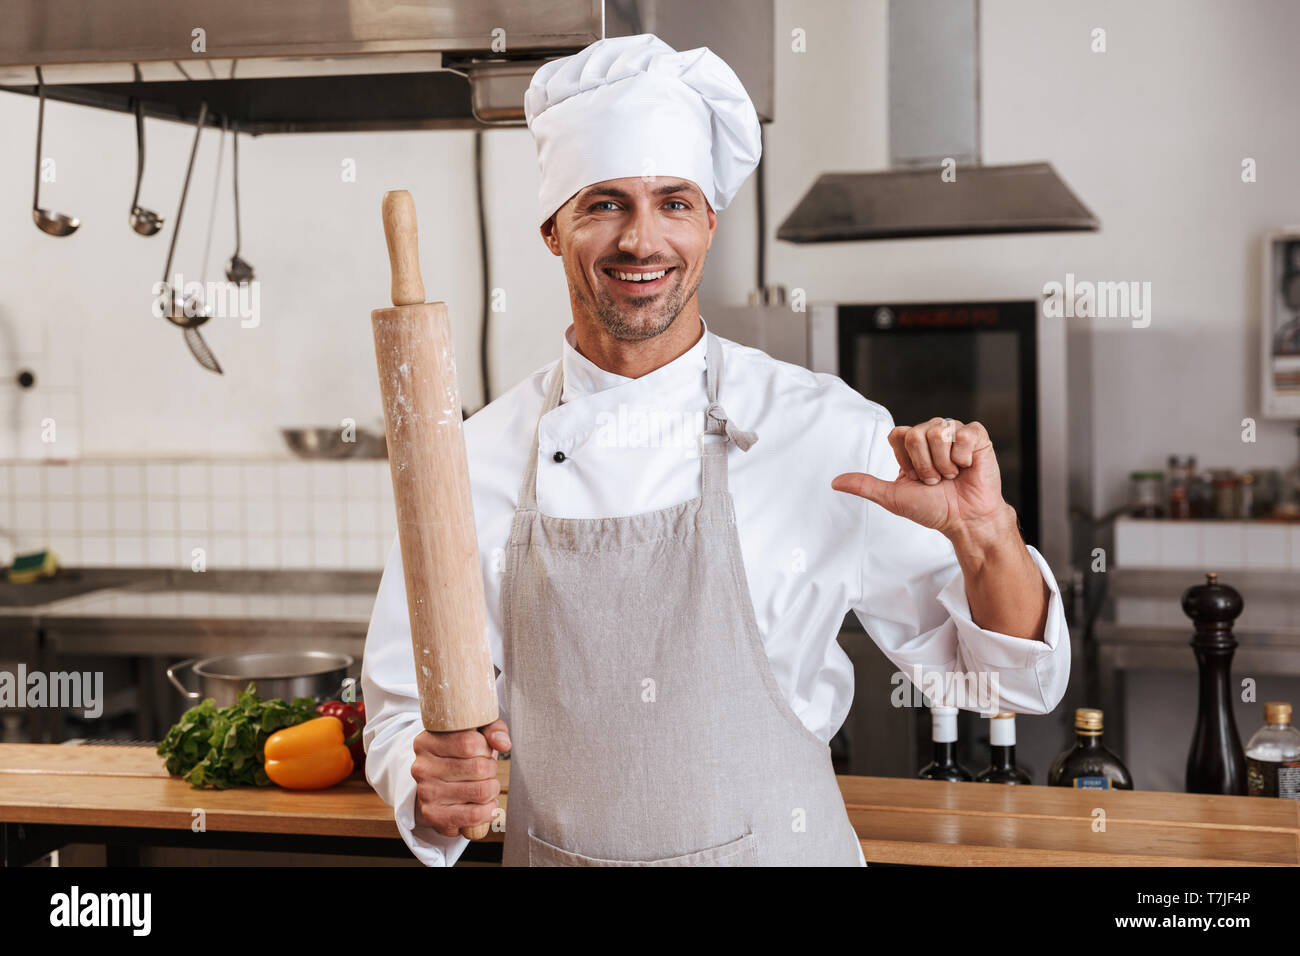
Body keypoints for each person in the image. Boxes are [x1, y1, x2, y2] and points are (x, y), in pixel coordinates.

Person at [361, 33, 1069, 867]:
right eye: (604, 204)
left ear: (709, 224)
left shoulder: (822, 429)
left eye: (673, 202)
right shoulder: (471, 460)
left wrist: (985, 536)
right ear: (554, 229)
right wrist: (427, 779)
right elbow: (404, 705)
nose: (641, 241)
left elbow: (1008, 686)